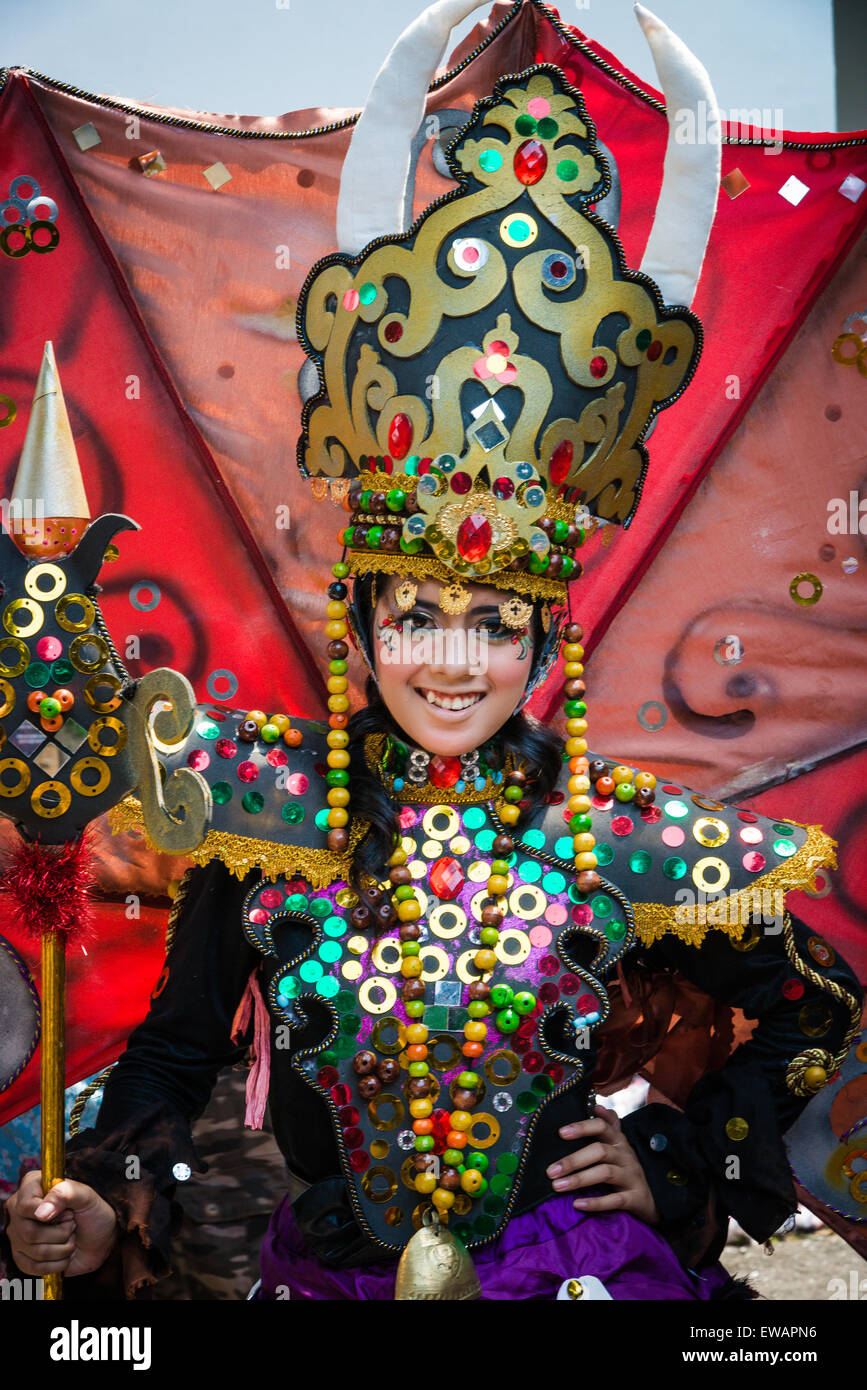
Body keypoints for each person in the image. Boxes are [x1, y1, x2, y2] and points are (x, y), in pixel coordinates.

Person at [2, 1, 862, 1301]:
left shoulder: (604, 826)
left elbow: (811, 1009)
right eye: (416, 615)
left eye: (496, 621)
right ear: (361, 623)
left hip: (578, 1273)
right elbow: (175, 1062)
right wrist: (108, 1202)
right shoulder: (269, 810)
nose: (454, 658)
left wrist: (671, 1152)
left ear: (543, 637)